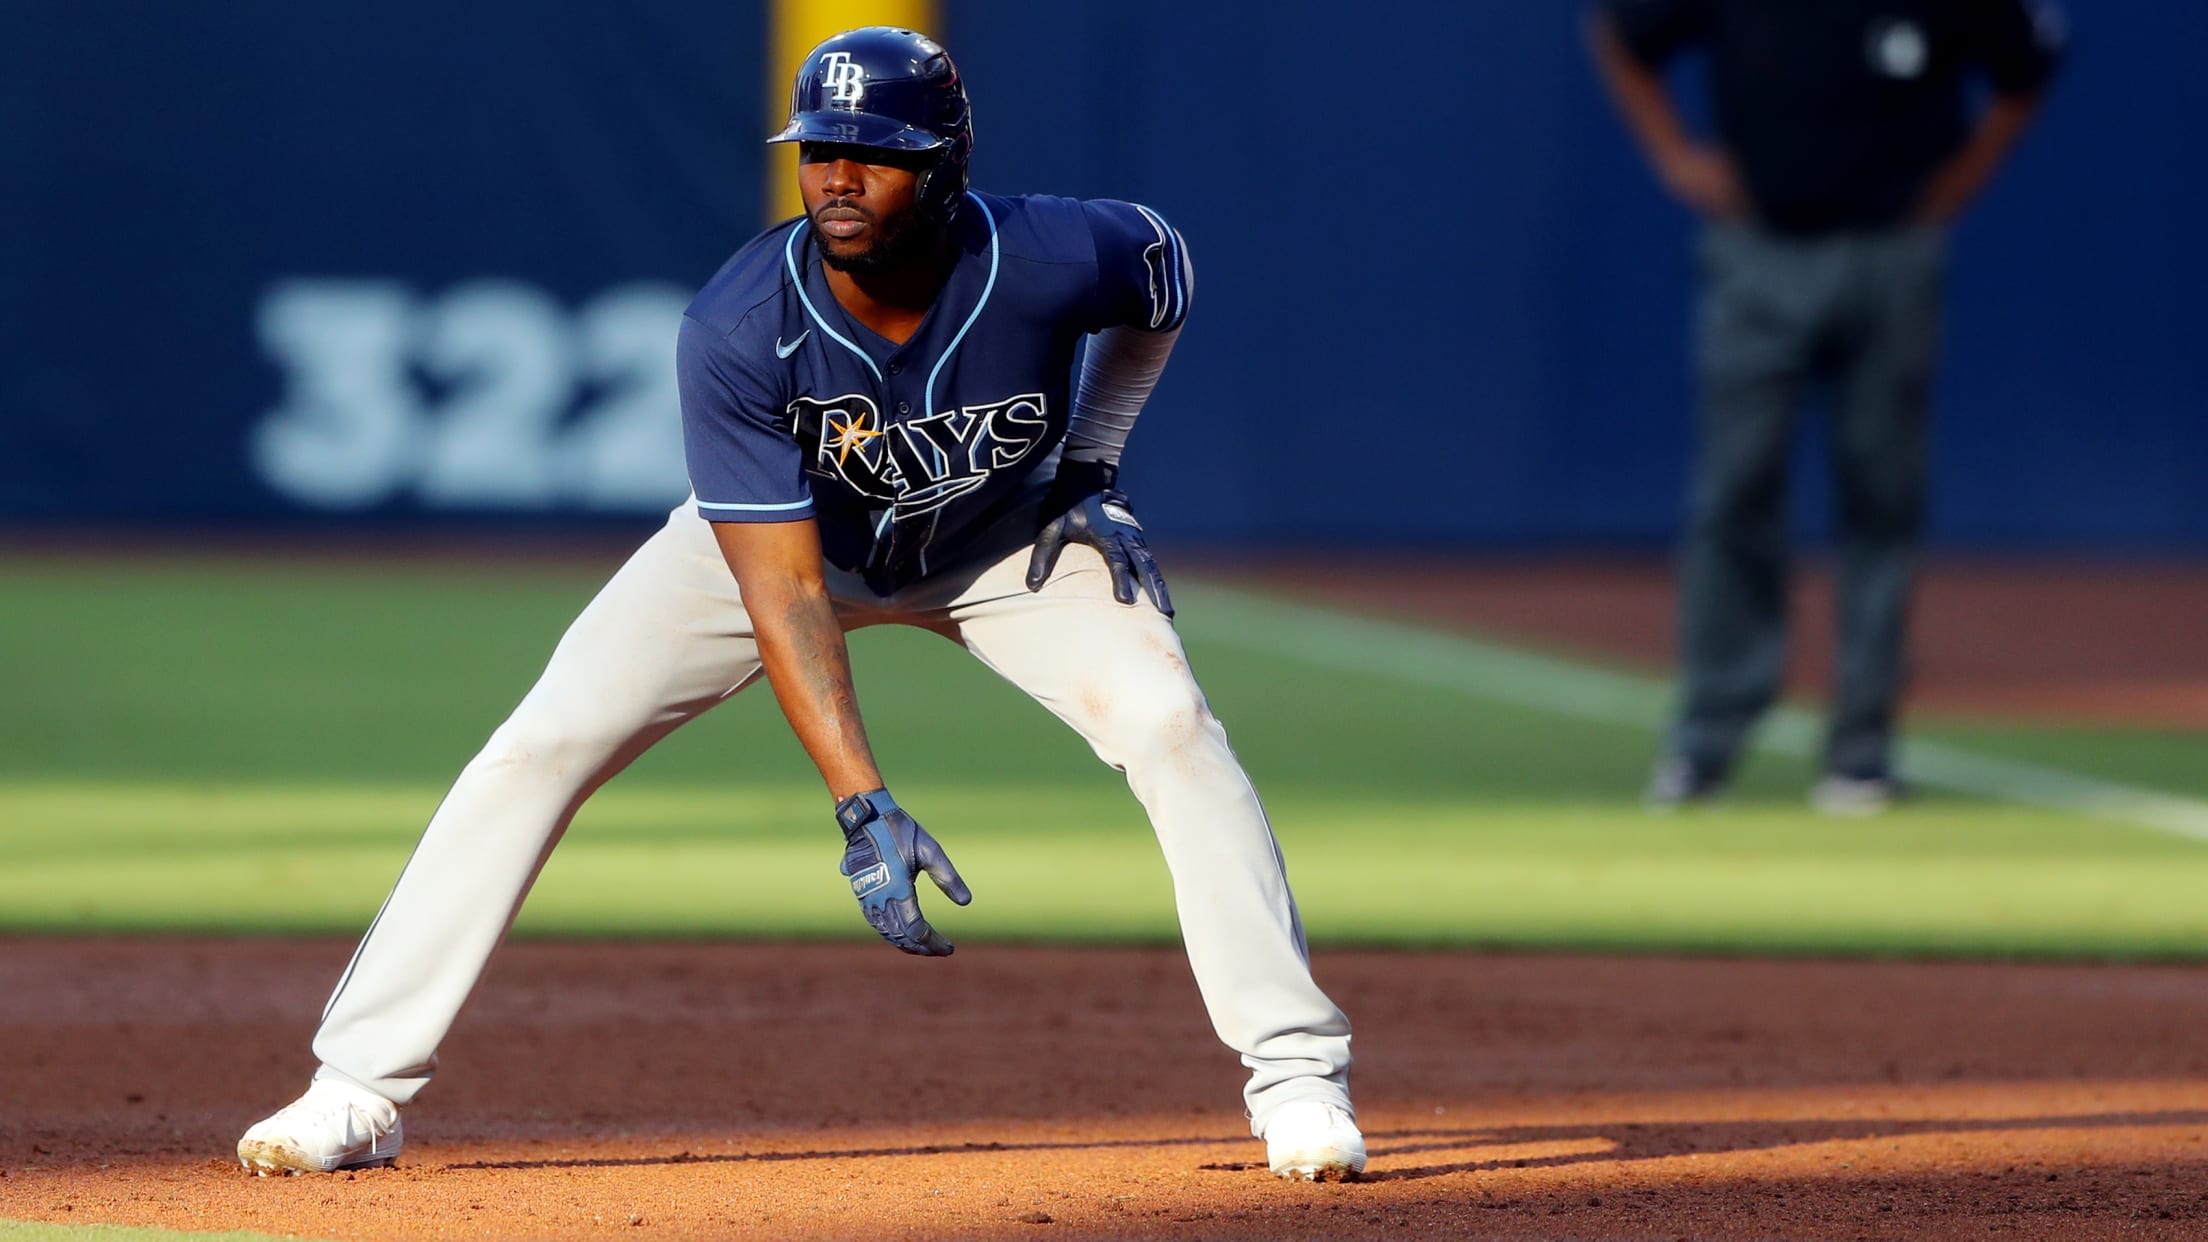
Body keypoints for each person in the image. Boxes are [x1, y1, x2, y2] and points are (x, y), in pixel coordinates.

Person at [234, 27, 1363, 1183]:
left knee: (1172, 726)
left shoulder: (1055, 253)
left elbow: (1162, 276)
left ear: (946, 164)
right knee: (539, 747)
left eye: (875, 153)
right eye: (820, 148)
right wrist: (862, 800)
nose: (837, 176)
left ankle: (1296, 1079)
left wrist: (1090, 465)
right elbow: (783, 592)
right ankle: (356, 1088)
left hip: (1002, 544)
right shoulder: (738, 325)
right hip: (781, 551)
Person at [1586, 0, 2063, 813]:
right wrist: (1675, 156)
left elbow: (2029, 65)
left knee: (1883, 495)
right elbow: (1621, 34)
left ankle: (1861, 753)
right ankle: (1705, 743)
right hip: (1762, 247)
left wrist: (1963, 178)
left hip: (1892, 250)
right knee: (1735, 488)